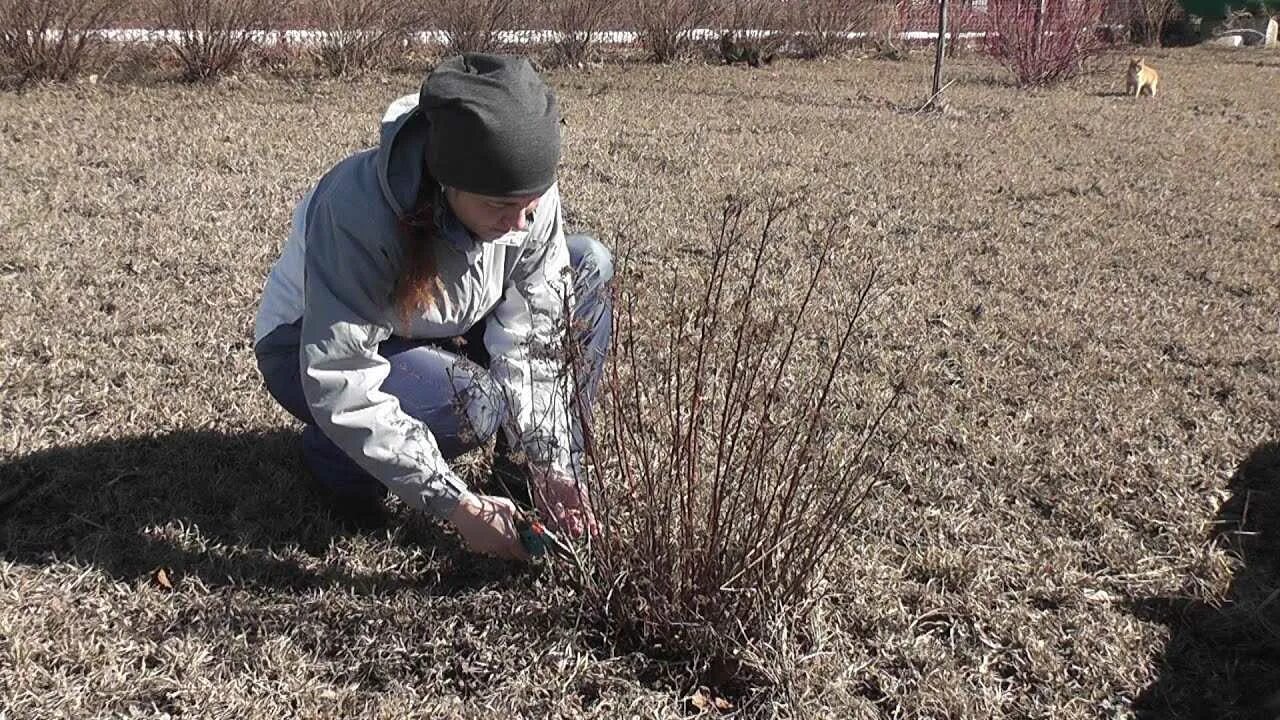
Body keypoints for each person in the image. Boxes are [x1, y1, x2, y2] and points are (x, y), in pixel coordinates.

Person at [252, 53, 612, 562]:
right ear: (448, 182)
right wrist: (455, 503)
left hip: (437, 326)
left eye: (530, 204)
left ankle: (520, 476)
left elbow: (536, 339)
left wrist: (552, 463)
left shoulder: (525, 201)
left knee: (587, 263)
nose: (520, 224)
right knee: (474, 404)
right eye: (499, 207)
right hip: (305, 347)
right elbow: (339, 373)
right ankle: (334, 459)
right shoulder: (355, 209)